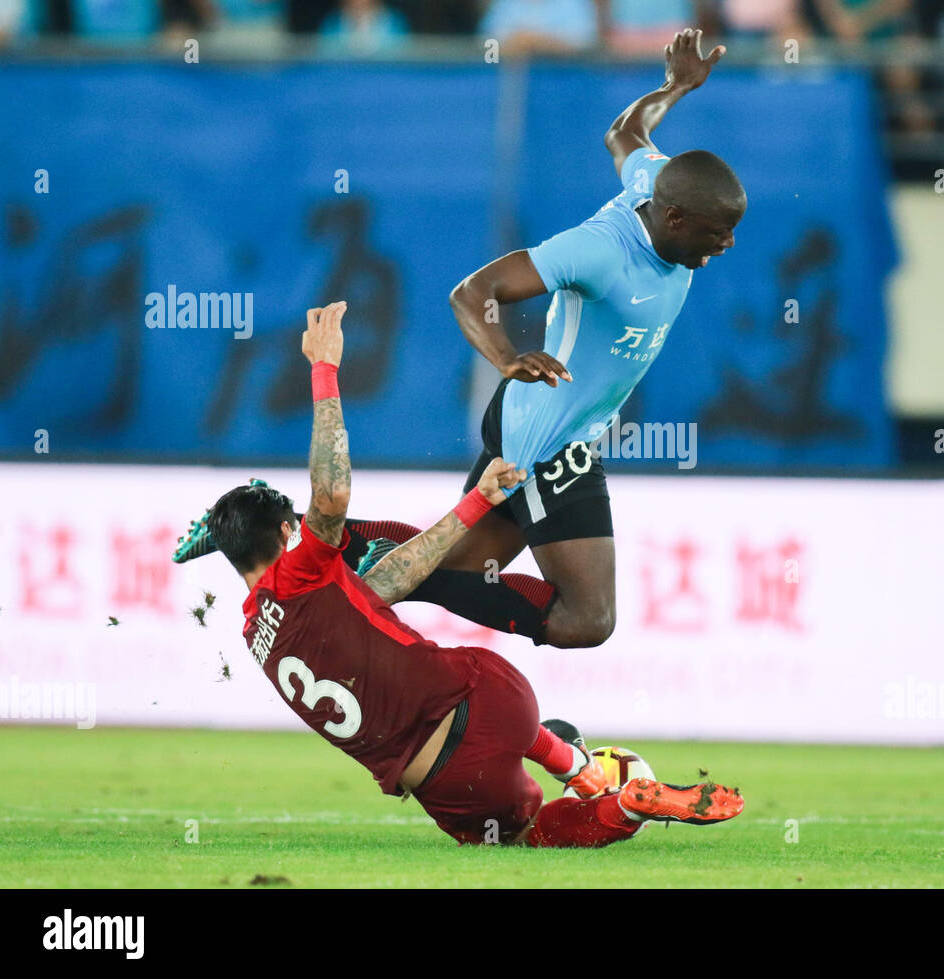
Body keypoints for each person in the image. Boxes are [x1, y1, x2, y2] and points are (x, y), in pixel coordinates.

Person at [175, 30, 746, 653]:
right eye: (719, 233)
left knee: (459, 567)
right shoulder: (601, 250)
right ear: (674, 220)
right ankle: (357, 562)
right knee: (587, 618)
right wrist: (507, 356)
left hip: (553, 422)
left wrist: (673, 89)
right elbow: (472, 293)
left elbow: (624, 136)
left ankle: (274, 531)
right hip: (546, 438)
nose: (728, 245)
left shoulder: (656, 182)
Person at [200, 301, 745, 845]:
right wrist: (323, 368)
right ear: (285, 535)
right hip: (492, 695)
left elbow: (391, 579)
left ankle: (621, 806)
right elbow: (334, 494)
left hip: (446, 778)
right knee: (510, 726)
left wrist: (480, 502)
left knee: (526, 835)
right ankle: (584, 770)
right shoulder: (301, 571)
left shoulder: (256, 634)